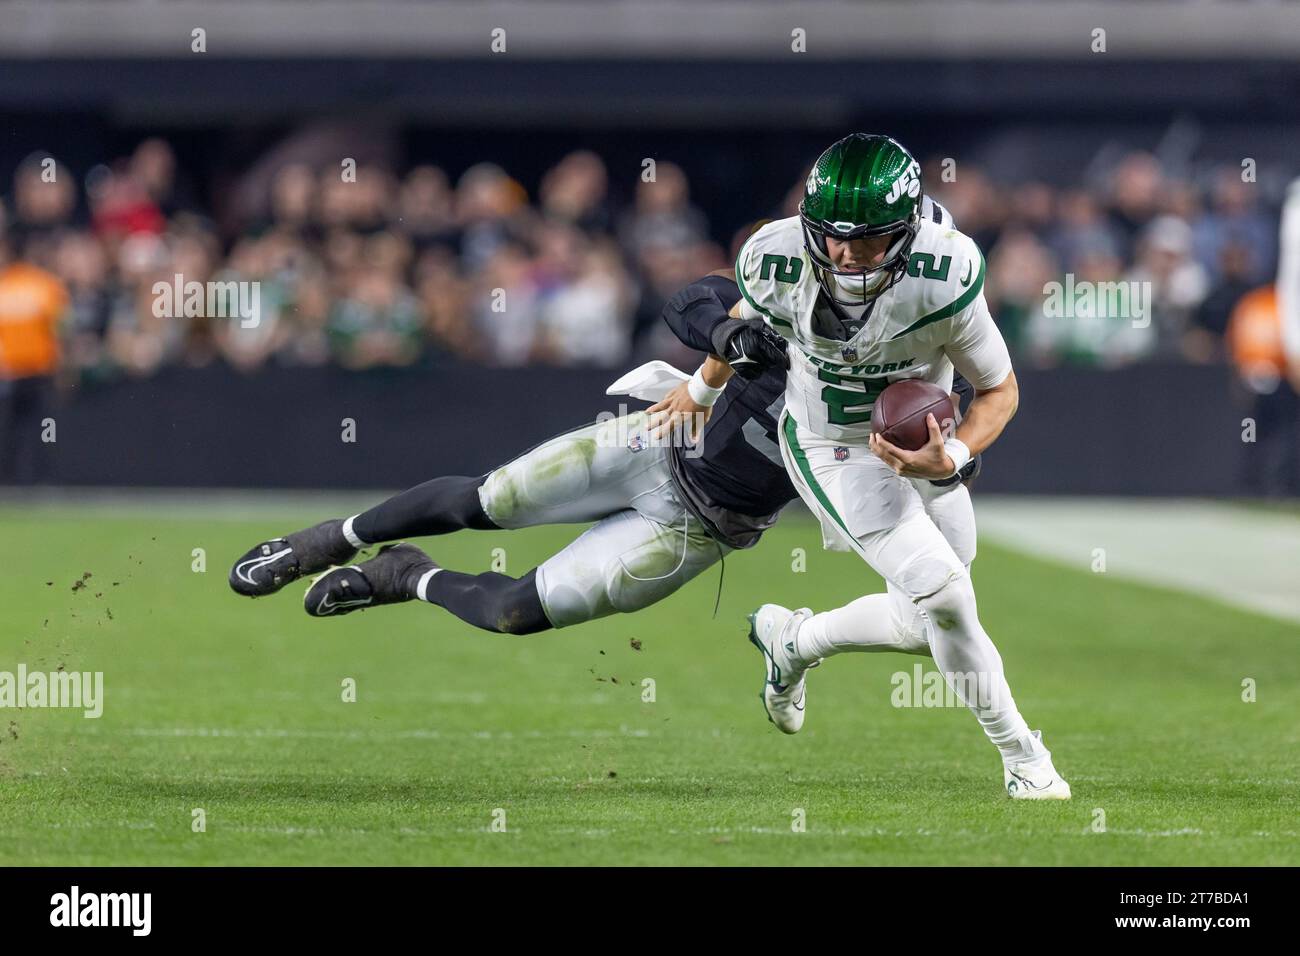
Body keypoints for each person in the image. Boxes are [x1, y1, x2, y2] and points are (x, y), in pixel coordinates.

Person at [655, 133, 1070, 799]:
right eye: (833, 236)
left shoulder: (946, 271)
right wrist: (703, 389)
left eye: (868, 238)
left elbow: (999, 390)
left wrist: (953, 455)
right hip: (829, 443)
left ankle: (795, 640)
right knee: (946, 595)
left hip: (924, 451)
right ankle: (1025, 758)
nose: (846, 253)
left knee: (921, 621)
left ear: (907, 230)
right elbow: (741, 322)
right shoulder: (776, 257)